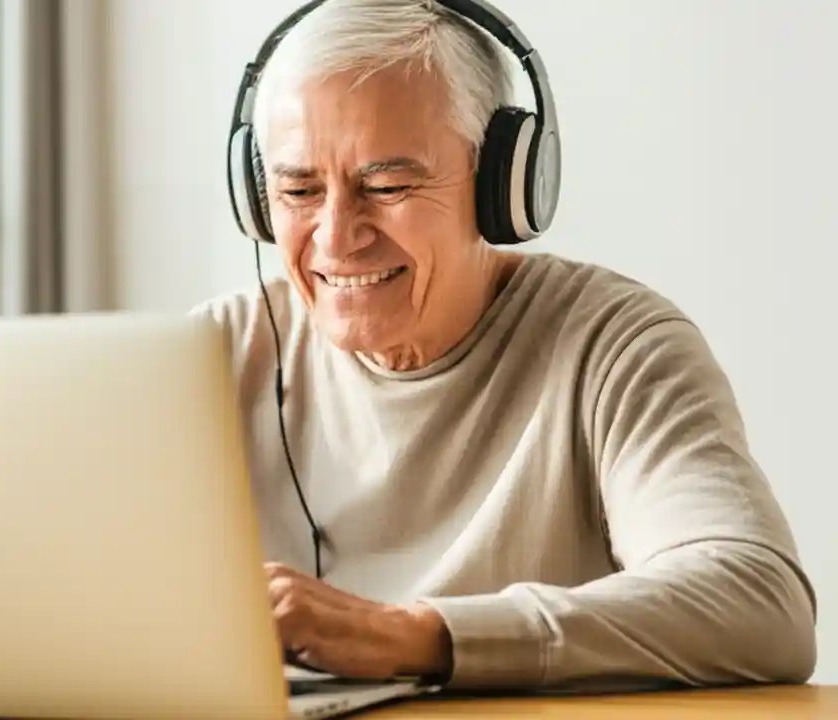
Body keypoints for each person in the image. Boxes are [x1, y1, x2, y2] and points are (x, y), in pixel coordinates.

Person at [191, 0, 817, 691]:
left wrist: (412, 636)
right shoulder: (209, 357)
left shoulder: (616, 347)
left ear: (501, 186)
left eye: (388, 185)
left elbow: (759, 605)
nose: (338, 237)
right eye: (300, 189)